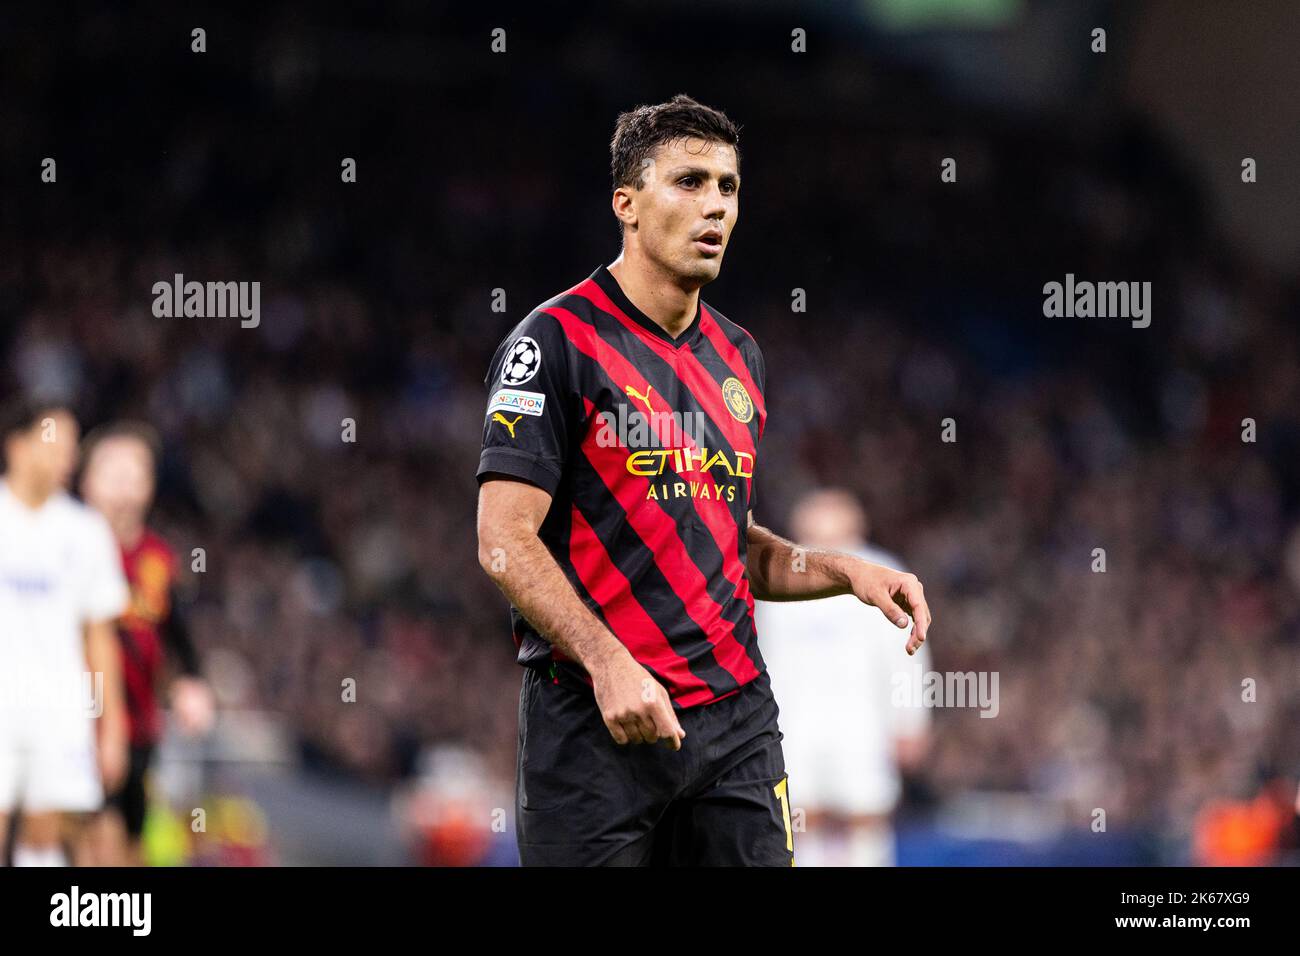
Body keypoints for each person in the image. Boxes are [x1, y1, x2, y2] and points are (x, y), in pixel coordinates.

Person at [475, 94, 932, 866]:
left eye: (728, 186)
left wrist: (844, 571)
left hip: (735, 725)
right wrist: (608, 659)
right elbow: (503, 539)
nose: (715, 204)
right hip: (593, 724)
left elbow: (724, 543)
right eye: (689, 182)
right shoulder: (555, 343)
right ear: (627, 203)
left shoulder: (741, 357)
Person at [757, 489, 931, 866]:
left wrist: (910, 720)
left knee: (865, 814)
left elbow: (907, 652)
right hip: (794, 722)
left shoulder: (881, 571)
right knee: (799, 816)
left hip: (862, 722)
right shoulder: (777, 576)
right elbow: (763, 655)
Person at [78, 420, 215, 866]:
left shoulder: (158, 559)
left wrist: (193, 682)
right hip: (77, 723)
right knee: (91, 835)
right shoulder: (68, 548)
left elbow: (178, 632)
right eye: (111, 469)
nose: (123, 482)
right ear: (85, 478)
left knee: (132, 837)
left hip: (139, 725)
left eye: (135, 470)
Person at [0, 399, 129, 866]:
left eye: (73, 447)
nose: (66, 457)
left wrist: (110, 726)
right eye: (56, 441)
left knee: (45, 835)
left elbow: (99, 638)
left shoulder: (85, 531)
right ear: (17, 444)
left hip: (58, 709)